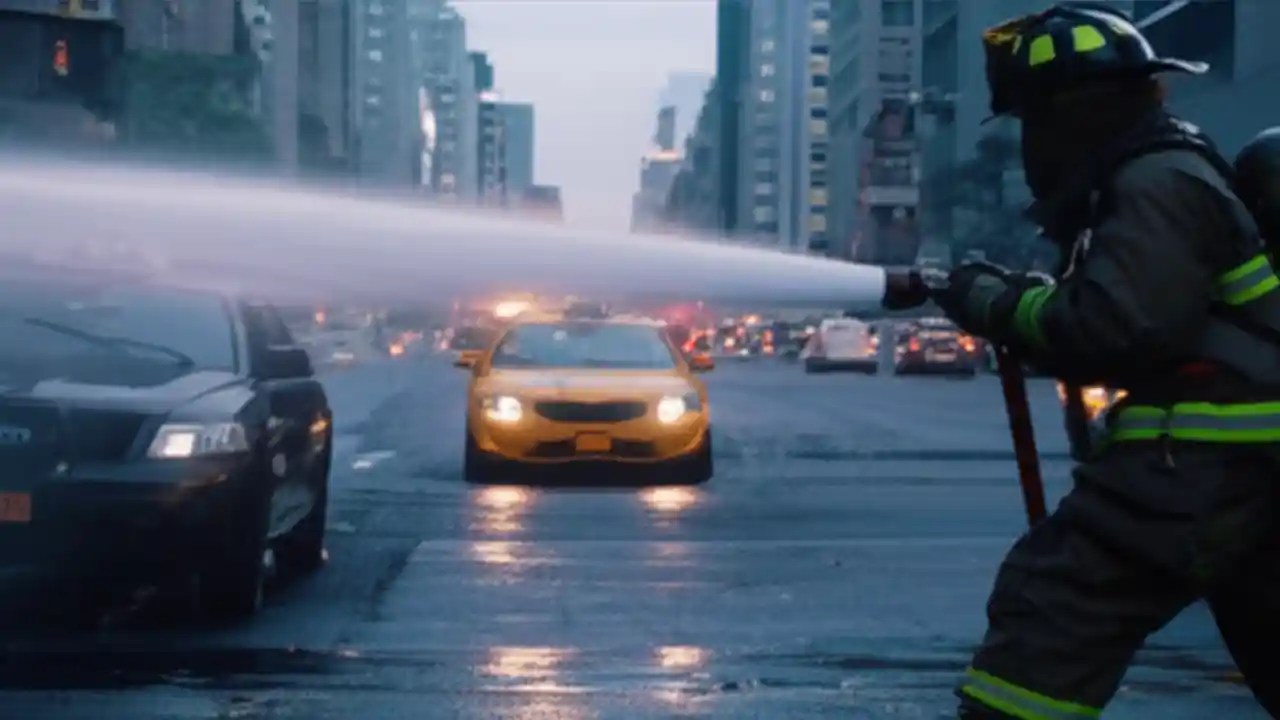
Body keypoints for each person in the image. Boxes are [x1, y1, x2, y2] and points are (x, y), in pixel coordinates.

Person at [931, 4, 1280, 717]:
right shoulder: (1155, 176)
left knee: (1058, 600)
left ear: (1073, 114)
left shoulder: (1156, 181)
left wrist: (998, 305)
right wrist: (1024, 298)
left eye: (1033, 120)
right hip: (1237, 463)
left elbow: (1120, 328)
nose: (1031, 144)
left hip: (1201, 463)